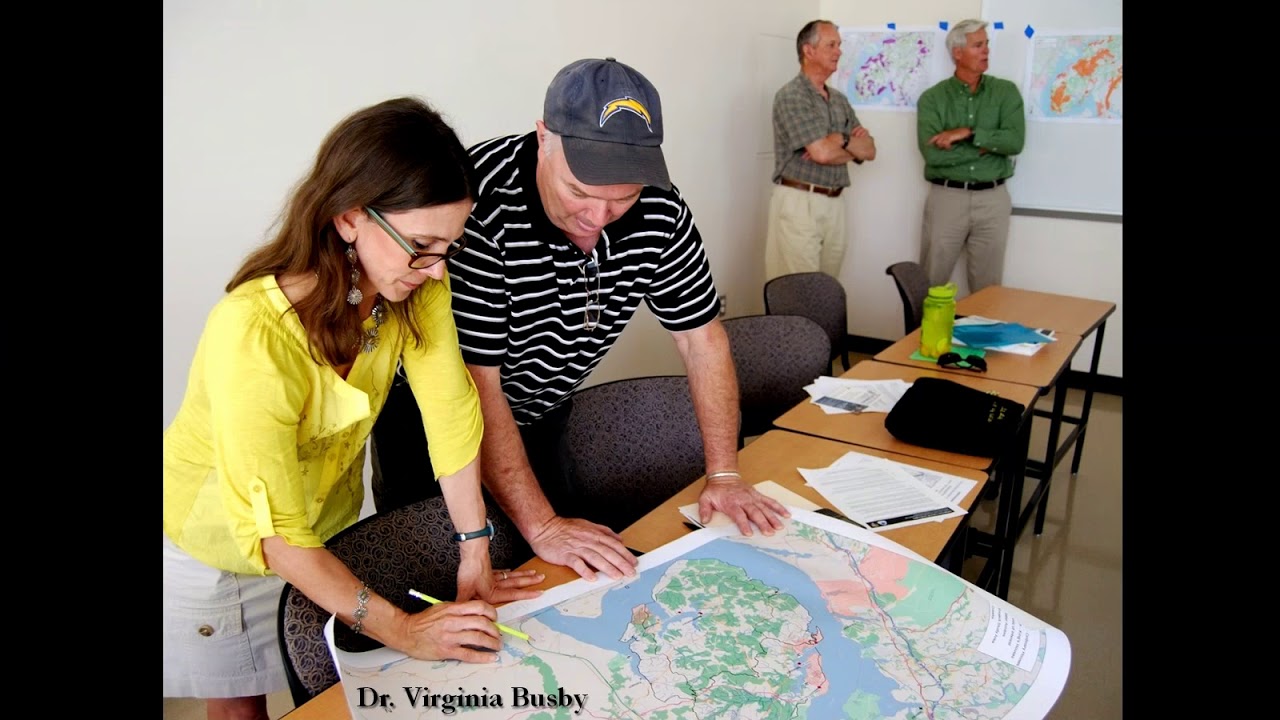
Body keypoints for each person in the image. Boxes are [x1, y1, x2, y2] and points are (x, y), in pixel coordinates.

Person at [162, 97, 543, 720]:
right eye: (422, 244)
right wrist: (404, 630)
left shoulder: (414, 287)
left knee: (324, 691)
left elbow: (448, 411)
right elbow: (276, 535)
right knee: (240, 709)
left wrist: (476, 547)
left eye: (451, 245)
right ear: (348, 220)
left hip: (320, 532)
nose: (438, 269)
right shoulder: (253, 332)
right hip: (218, 547)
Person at [371, 57, 789, 583]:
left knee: (558, 576)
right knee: (437, 587)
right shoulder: (478, 203)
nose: (596, 219)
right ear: (544, 137)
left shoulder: (660, 208)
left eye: (621, 200)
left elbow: (703, 341)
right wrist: (542, 524)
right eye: (579, 192)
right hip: (433, 426)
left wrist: (724, 474)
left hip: (542, 410)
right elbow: (476, 385)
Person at [916, 18, 1025, 292]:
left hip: (993, 200)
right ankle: (922, 336)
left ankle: (982, 337)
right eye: (978, 45)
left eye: (986, 44)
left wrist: (968, 133)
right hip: (947, 199)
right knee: (931, 283)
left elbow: (1014, 141)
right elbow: (933, 156)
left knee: (988, 291)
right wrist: (989, 148)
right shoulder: (933, 99)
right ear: (957, 53)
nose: (986, 50)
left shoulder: (1006, 92)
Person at [764, 19, 876, 281]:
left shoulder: (838, 99)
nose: (839, 52)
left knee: (827, 291)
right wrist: (846, 146)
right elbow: (822, 154)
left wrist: (840, 140)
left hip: (835, 203)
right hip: (800, 203)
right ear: (809, 51)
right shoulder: (792, 95)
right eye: (831, 45)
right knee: (800, 290)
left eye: (839, 45)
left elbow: (870, 150)